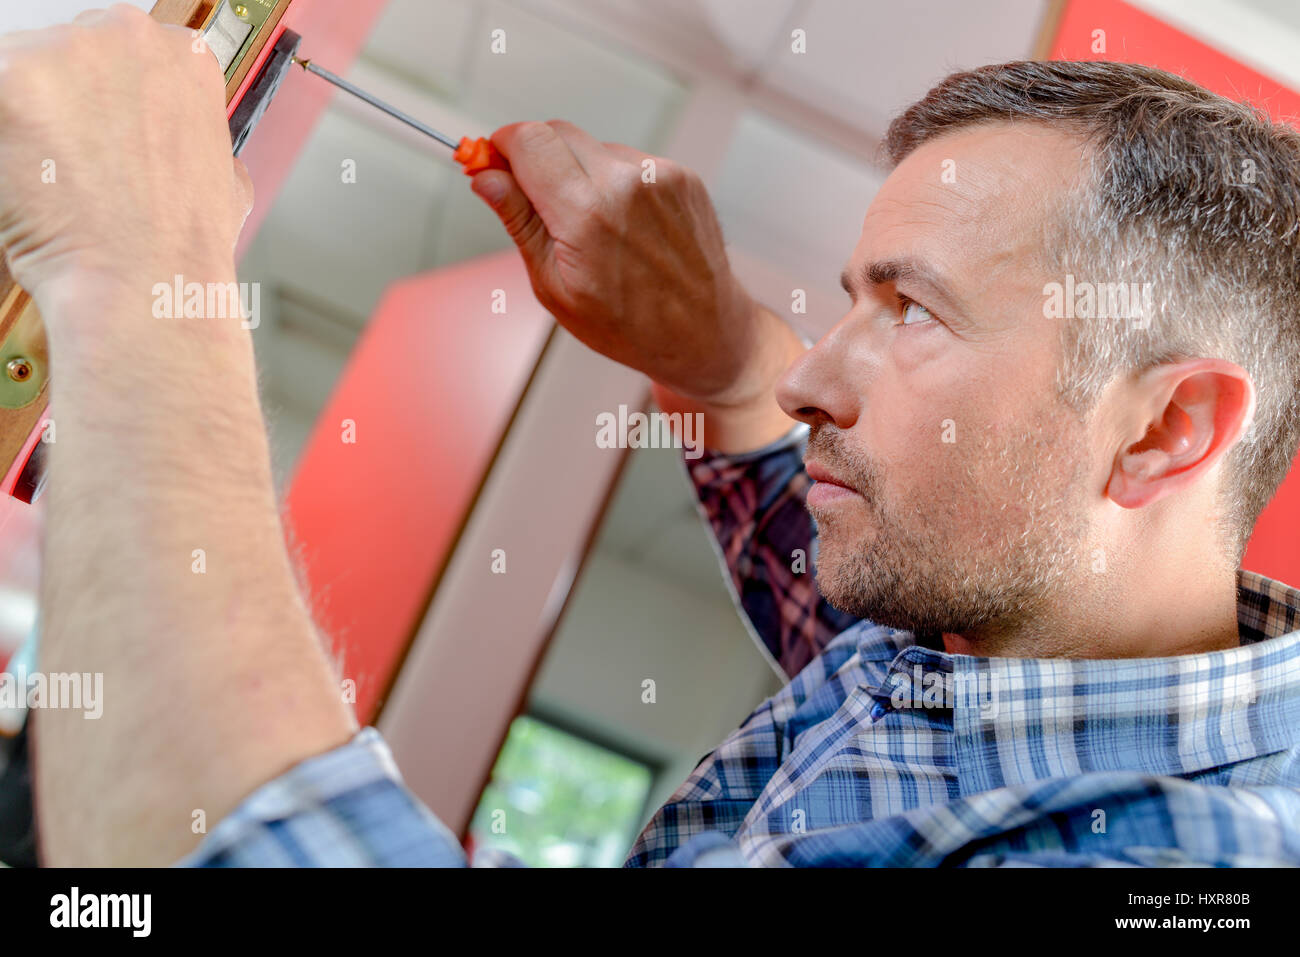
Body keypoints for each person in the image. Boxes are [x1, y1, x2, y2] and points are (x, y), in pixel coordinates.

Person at [4, 6, 1298, 867]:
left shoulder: (1184, 856)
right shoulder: (1002, 631)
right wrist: (717, 347)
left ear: (1164, 428)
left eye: (913, 312)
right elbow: (832, 588)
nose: (811, 384)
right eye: (857, 294)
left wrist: (133, 264)